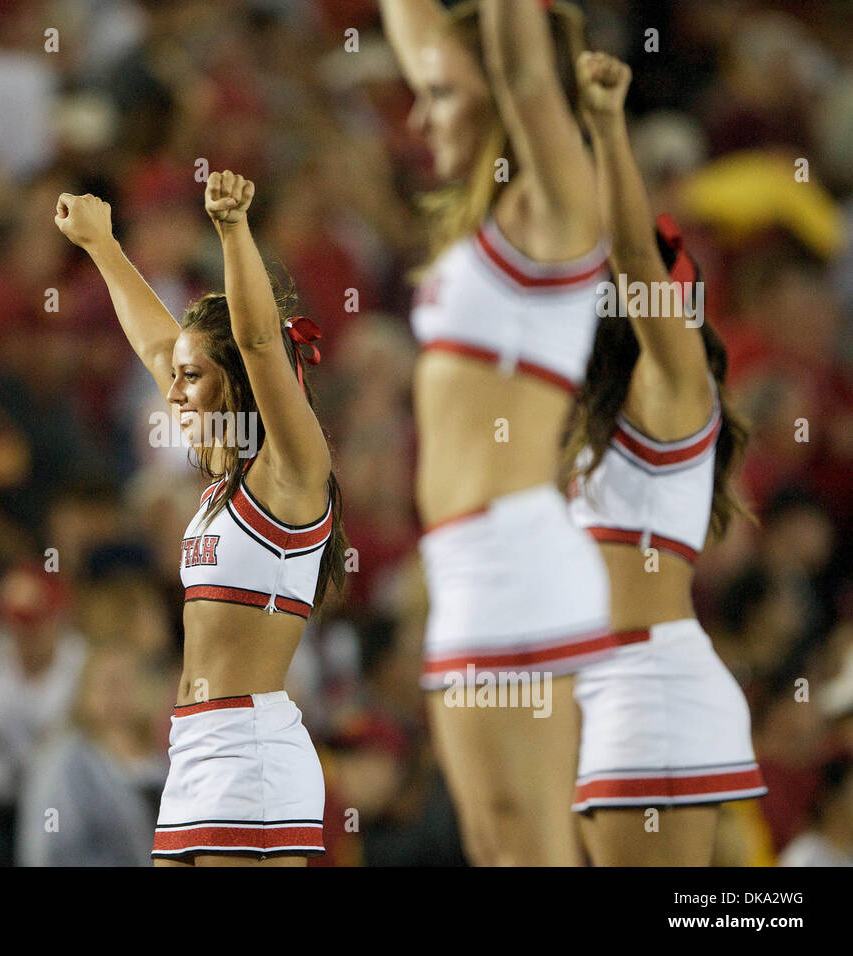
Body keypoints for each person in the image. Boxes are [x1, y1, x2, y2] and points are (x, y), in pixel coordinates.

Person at [54, 169, 347, 865]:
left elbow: (257, 341)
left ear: (237, 384)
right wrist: (103, 246)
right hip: (197, 746)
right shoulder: (226, 475)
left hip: (249, 753)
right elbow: (160, 346)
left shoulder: (290, 470)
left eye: (192, 379)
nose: (173, 392)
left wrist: (231, 231)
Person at [381, 0, 613, 865]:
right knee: (505, 853)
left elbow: (518, 69)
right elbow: (414, 34)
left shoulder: (555, 211)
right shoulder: (491, 224)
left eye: (441, 95)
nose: (416, 113)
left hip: (515, 565)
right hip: (467, 571)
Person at [564, 51, 766, 866]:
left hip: (650, 687)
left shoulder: (677, 387)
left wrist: (609, 127)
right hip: (604, 688)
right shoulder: (597, 430)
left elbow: (636, 261)